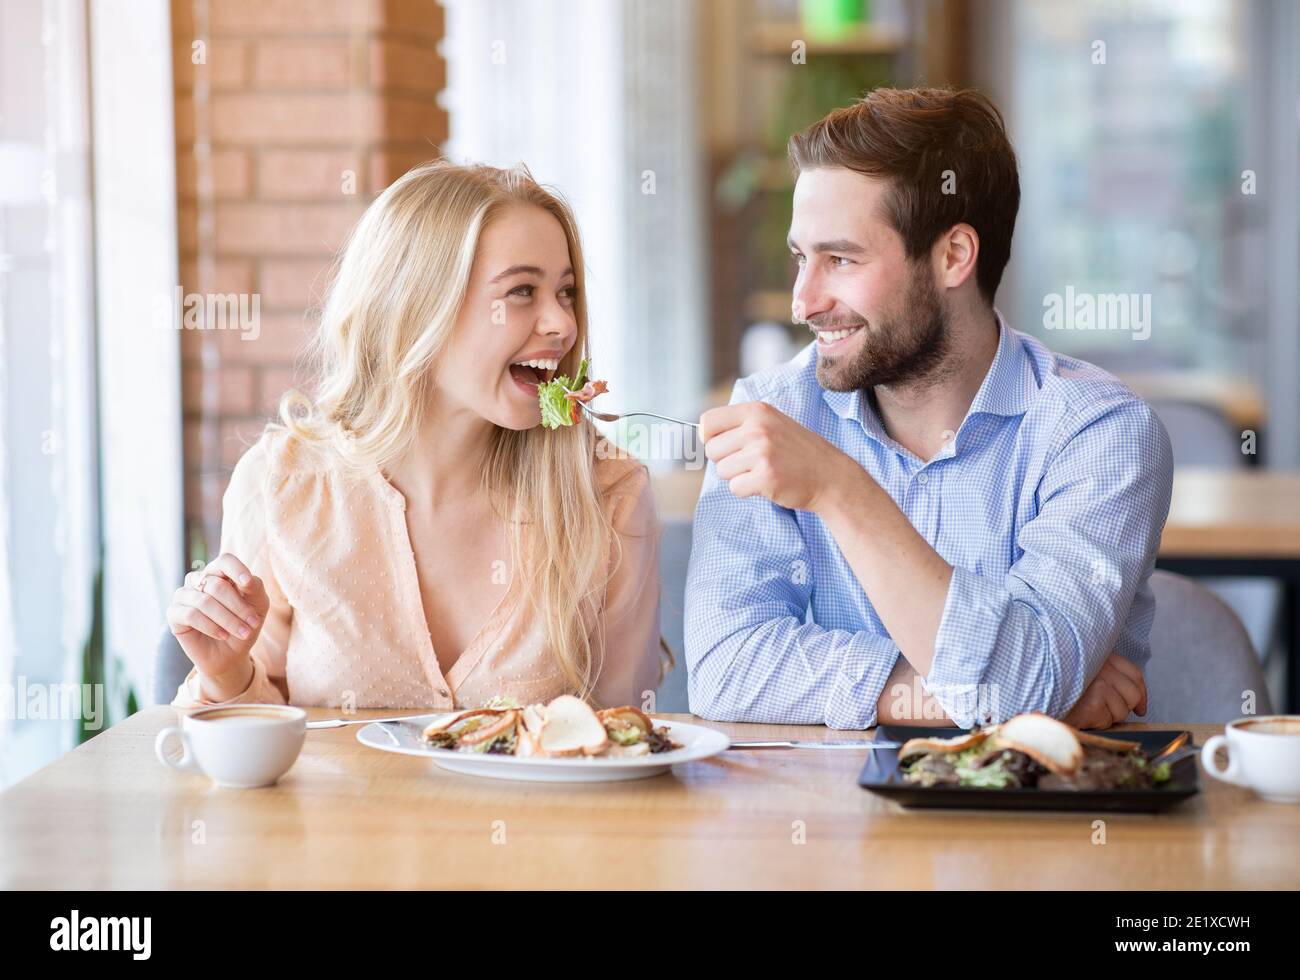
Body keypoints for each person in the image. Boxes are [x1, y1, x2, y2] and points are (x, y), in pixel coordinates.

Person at [686, 87, 1172, 730]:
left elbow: (1023, 681)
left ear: (953, 256)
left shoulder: (1100, 433)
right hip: (827, 822)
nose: (802, 302)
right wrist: (977, 697)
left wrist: (839, 488)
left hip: (1049, 823)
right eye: (801, 258)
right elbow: (725, 671)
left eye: (840, 259)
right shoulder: (772, 414)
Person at [167, 161, 664, 713]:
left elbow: (627, 741)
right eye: (522, 291)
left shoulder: (609, 496)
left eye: (566, 292)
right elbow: (254, 746)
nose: (562, 324)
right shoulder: (284, 485)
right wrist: (227, 672)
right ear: (416, 306)